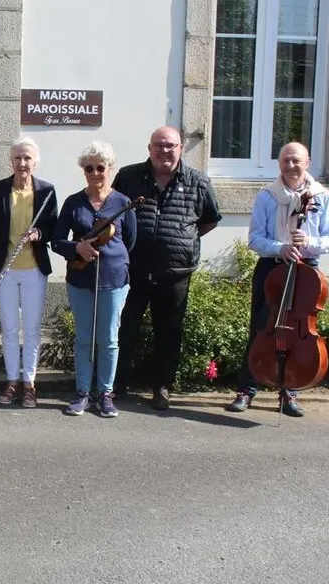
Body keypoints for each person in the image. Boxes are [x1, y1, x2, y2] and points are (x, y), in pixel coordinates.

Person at [227, 142, 329, 417]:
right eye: (285, 161)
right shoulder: (268, 196)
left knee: (296, 330)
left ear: (307, 163)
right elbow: (255, 239)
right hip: (272, 269)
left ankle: (289, 392)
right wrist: (280, 247)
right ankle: (247, 389)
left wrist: (309, 242)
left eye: (296, 161)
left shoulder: (321, 196)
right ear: (279, 164)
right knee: (261, 328)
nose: (290, 166)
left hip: (306, 271)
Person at [112, 126, 222, 410]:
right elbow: (114, 213)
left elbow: (209, 220)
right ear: (149, 148)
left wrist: (182, 240)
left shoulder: (198, 182)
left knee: (169, 332)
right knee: (125, 328)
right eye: (159, 145)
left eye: (170, 145)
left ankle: (161, 387)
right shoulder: (129, 176)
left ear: (180, 148)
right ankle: (117, 383)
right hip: (133, 269)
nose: (164, 151)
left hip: (175, 272)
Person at [51, 141, 136, 418]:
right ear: (83, 170)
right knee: (84, 338)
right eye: (89, 167)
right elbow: (56, 240)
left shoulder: (123, 203)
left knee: (109, 339)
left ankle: (106, 394)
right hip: (81, 279)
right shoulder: (73, 203)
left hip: (113, 280)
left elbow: (131, 241)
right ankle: (82, 393)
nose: (95, 172)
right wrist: (78, 247)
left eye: (101, 167)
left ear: (110, 169)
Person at [0, 138, 57, 408]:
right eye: (17, 158)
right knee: (9, 328)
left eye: (27, 158)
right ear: (11, 161)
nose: (22, 163)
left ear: (34, 161)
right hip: (5, 268)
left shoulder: (47, 191)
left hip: (34, 269)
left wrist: (40, 233)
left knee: (32, 328)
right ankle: (11, 380)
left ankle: (29, 383)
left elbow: (53, 226)